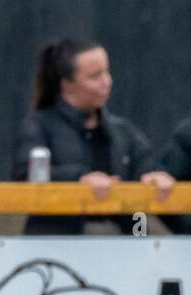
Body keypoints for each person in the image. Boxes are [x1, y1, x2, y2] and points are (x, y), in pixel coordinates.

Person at [12, 38, 175, 235]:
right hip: (58, 244)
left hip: (126, 247)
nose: (107, 82)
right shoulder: (38, 126)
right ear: (67, 84)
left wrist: (154, 176)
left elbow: (145, 163)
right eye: (94, 76)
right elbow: (24, 174)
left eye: (106, 72)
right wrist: (78, 179)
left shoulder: (123, 131)